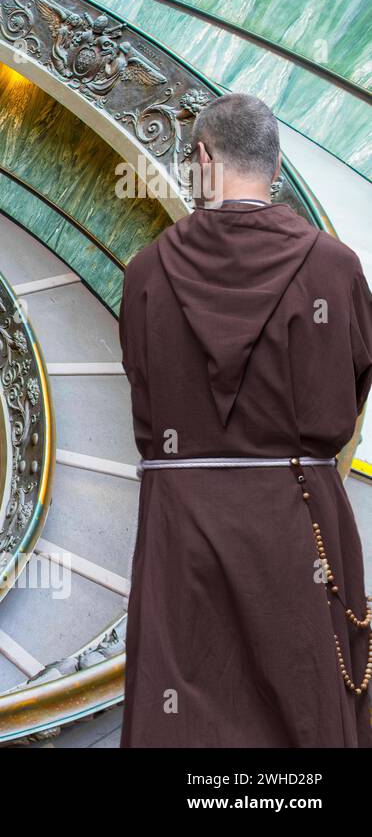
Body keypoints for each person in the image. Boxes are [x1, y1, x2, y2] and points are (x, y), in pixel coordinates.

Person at [119, 92, 372, 746]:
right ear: (276, 162)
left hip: (182, 524)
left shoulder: (146, 272)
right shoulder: (336, 267)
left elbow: (144, 395)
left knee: (186, 707)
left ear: (202, 158)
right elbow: (352, 384)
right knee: (306, 697)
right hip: (299, 515)